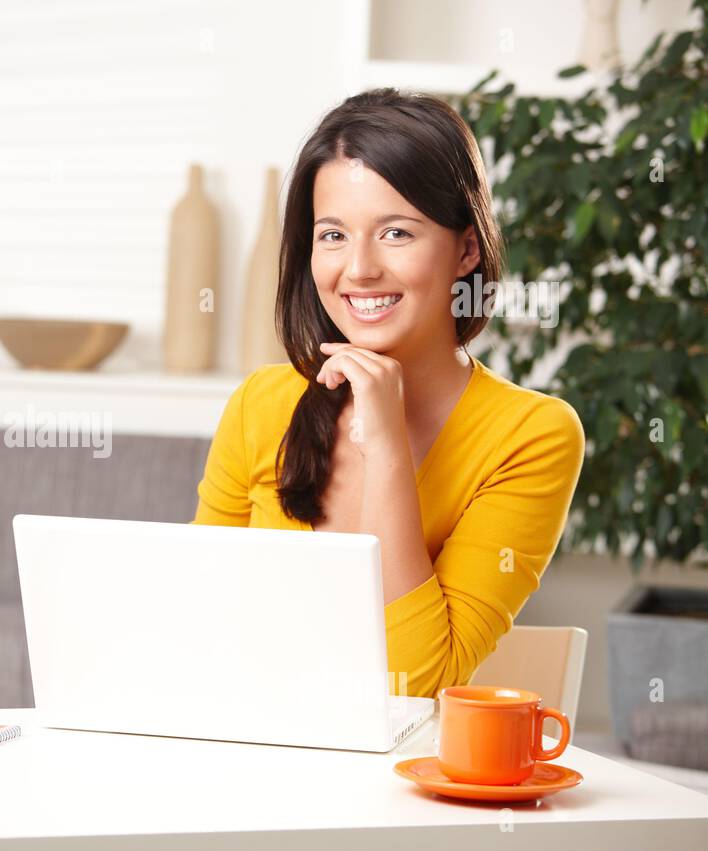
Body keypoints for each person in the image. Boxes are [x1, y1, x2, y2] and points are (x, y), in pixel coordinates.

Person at [193, 89, 585, 698]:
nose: (359, 269)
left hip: (405, 780)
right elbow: (194, 627)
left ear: (466, 250)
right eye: (333, 235)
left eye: (397, 232)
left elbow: (415, 682)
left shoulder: (533, 435)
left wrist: (387, 443)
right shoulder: (260, 404)